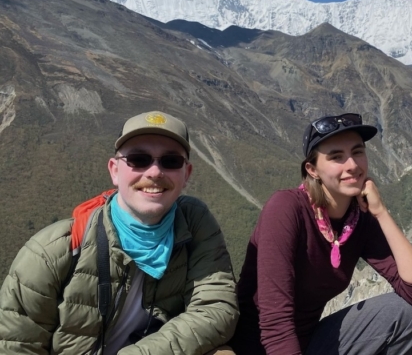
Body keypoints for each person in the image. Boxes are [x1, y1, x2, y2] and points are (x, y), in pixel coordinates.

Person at [0, 111, 239, 354]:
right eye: (138, 159)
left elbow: (216, 309)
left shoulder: (193, 224)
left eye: (170, 161)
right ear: (114, 170)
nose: (155, 172)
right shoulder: (52, 253)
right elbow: (16, 345)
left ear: (186, 174)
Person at [231, 112, 412, 355]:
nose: (352, 165)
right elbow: (275, 322)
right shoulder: (286, 209)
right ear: (312, 169)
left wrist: (381, 213)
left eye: (357, 152)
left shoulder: (360, 218)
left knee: (407, 315)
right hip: (260, 347)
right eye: (336, 156)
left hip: (310, 342)